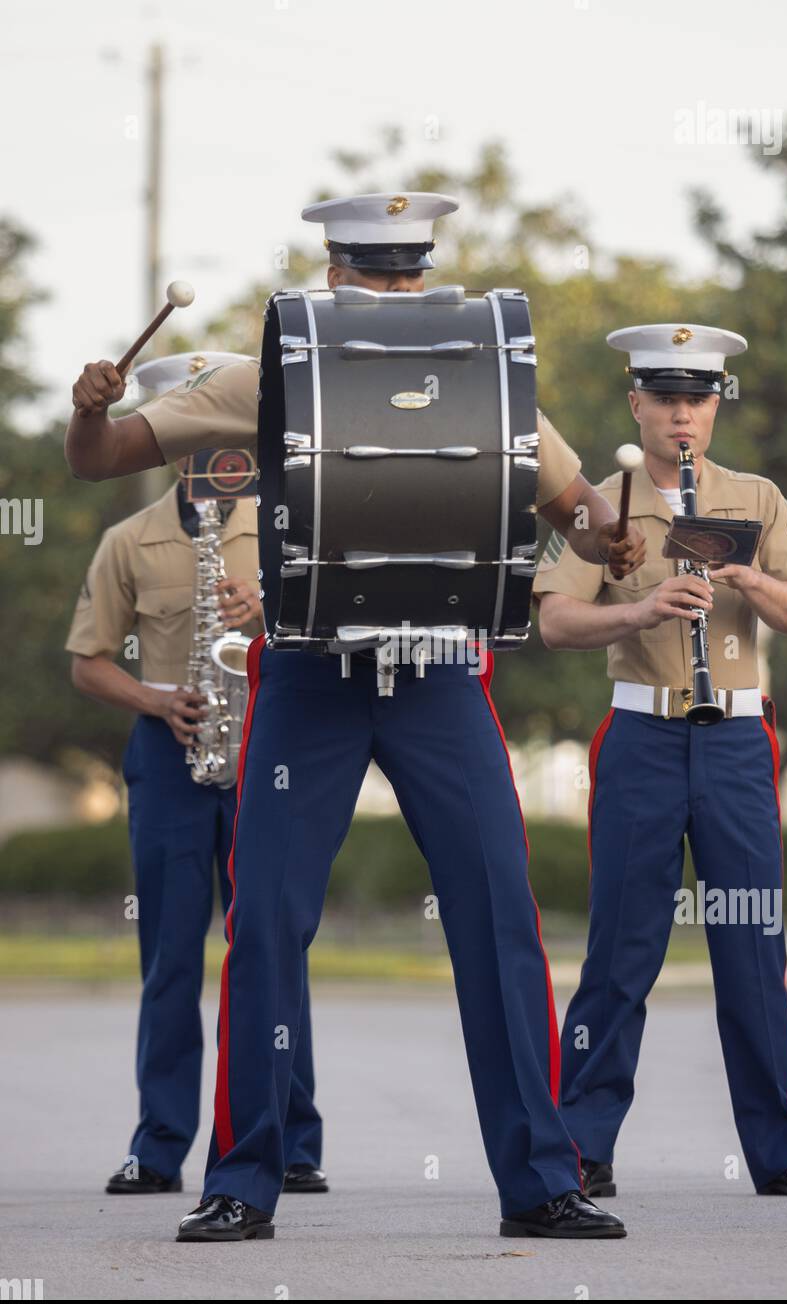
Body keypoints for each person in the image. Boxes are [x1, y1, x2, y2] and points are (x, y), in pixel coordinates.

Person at [66, 193, 646, 1242]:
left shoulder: (486, 373)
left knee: (502, 922)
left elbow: (583, 519)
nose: (394, 289)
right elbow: (98, 460)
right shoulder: (267, 373)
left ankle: (541, 1180)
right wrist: (90, 408)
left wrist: (615, 538)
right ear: (332, 274)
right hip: (308, 680)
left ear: (430, 276)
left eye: (410, 271)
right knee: (267, 927)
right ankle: (242, 1181)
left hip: (439, 679)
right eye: (374, 272)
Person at [534, 322, 787, 1200]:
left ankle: (780, 1151)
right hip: (641, 738)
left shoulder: (755, 496)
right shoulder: (596, 502)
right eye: (664, 399)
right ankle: (582, 1145)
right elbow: (554, 622)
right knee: (621, 950)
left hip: (738, 742)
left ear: (714, 409)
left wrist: (744, 577)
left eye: (696, 400)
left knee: (752, 948)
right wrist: (638, 614)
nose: (681, 415)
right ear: (635, 402)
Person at [65, 352, 326, 1198]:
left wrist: (271, 615)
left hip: (269, 760)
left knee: (274, 951)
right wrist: (152, 697)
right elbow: (86, 662)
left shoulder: (291, 524)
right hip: (172, 762)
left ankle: (291, 1142)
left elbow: (328, 630)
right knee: (171, 959)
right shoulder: (127, 541)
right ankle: (159, 1142)